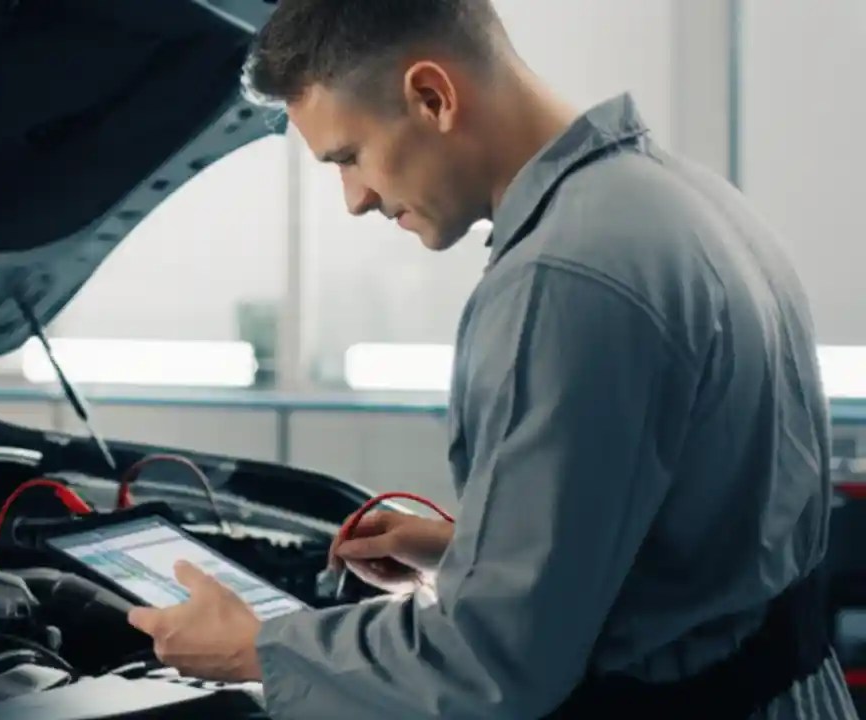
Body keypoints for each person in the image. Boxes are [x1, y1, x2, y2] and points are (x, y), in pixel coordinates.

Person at [125, 1, 857, 718]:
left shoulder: (564, 278)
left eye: (348, 157)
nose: (355, 200)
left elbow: (492, 665)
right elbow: (701, 538)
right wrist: (474, 554)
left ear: (432, 96)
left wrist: (260, 647)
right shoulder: (680, 199)